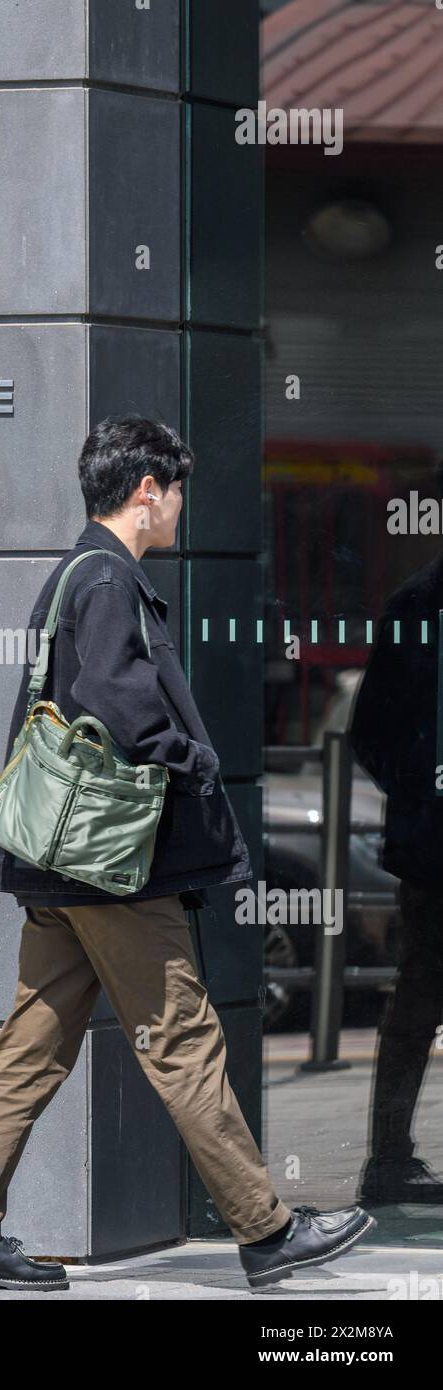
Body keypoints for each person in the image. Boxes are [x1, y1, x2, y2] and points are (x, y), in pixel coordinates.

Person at [0, 417, 376, 1292]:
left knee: (30, 1047)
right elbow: (118, 705)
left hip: (63, 868)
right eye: (175, 492)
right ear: (147, 491)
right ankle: (266, 1229)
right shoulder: (106, 580)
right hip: (111, 869)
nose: (178, 507)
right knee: (181, 1037)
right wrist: (193, 762)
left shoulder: (76, 576)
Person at [349, 466, 443, 1206]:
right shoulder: (417, 604)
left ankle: (388, 1160)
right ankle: (386, 1159)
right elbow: (373, 735)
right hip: (433, 847)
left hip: (427, 840)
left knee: (416, 999)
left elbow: (372, 737)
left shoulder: (415, 600)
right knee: (417, 999)